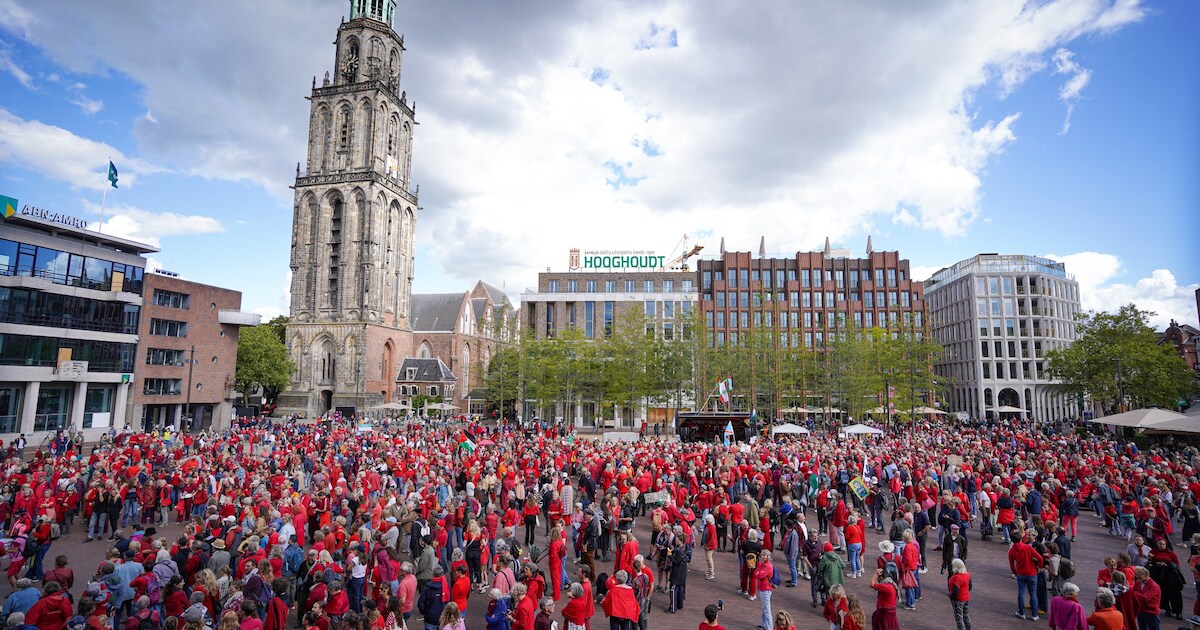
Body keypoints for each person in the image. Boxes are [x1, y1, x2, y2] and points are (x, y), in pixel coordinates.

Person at [1145, 537, 1183, 620]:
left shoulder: (1171, 553)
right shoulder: (1153, 552)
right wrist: (1153, 561)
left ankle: (1178, 611)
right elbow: (1150, 563)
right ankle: (1167, 609)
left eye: (1163, 544)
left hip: (1170, 575)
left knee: (1175, 594)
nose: (1161, 546)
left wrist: (1167, 564)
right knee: (1163, 592)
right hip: (1158, 574)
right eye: (1160, 544)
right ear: (1156, 544)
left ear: (1166, 544)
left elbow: (1177, 565)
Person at [1009, 531, 1043, 621]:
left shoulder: (1012, 551)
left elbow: (1012, 565)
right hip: (1032, 573)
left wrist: (1015, 572)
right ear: (1021, 539)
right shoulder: (1028, 547)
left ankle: (1021, 612)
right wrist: (1040, 567)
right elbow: (1040, 558)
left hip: (1021, 573)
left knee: (1021, 593)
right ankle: (1034, 615)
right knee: (1033, 594)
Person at [868, 563, 899, 630]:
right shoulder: (892, 585)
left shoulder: (885, 586)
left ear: (881, 577)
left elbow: (871, 584)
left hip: (884, 614)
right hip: (891, 613)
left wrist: (876, 574)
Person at [751, 550, 775, 630]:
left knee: (767, 609)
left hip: (766, 588)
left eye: (764, 555)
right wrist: (758, 573)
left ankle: (769, 627)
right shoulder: (762, 564)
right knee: (764, 608)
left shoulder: (768, 566)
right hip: (762, 587)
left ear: (768, 556)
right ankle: (765, 625)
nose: (762, 557)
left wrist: (758, 573)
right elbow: (756, 573)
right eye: (762, 555)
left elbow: (760, 575)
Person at [946, 558, 971, 630]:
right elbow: (970, 586)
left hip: (958, 600)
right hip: (966, 598)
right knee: (966, 616)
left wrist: (951, 596)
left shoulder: (956, 578)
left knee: (959, 618)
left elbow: (956, 592)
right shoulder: (967, 575)